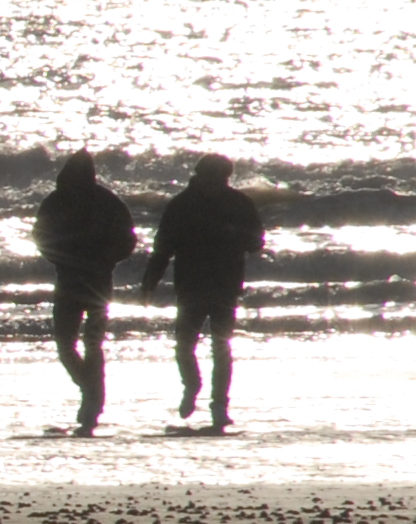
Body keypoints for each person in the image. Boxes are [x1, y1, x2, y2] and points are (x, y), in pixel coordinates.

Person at [143, 153, 266, 431]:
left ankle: (219, 407)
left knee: (221, 347)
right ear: (199, 175)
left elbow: (256, 242)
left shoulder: (238, 203)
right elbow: (163, 247)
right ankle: (192, 385)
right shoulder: (182, 204)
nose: (215, 182)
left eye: (220, 178)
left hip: (225, 285)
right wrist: (150, 280)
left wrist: (233, 234)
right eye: (211, 176)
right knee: (185, 344)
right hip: (192, 285)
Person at [30, 151, 138, 431]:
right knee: (73, 344)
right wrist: (63, 259)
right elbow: (41, 236)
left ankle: (91, 400)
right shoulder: (63, 201)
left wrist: (103, 260)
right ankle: (91, 392)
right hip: (77, 279)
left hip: (90, 280)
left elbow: (128, 239)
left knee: (83, 343)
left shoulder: (97, 201)